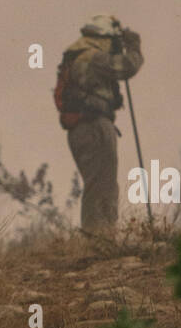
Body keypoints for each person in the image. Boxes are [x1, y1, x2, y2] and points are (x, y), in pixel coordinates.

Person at [55, 14, 143, 233]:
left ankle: (102, 236)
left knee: (101, 184)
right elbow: (127, 66)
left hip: (84, 127)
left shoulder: (77, 55)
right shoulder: (92, 57)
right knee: (101, 185)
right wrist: (133, 45)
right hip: (93, 125)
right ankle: (98, 239)